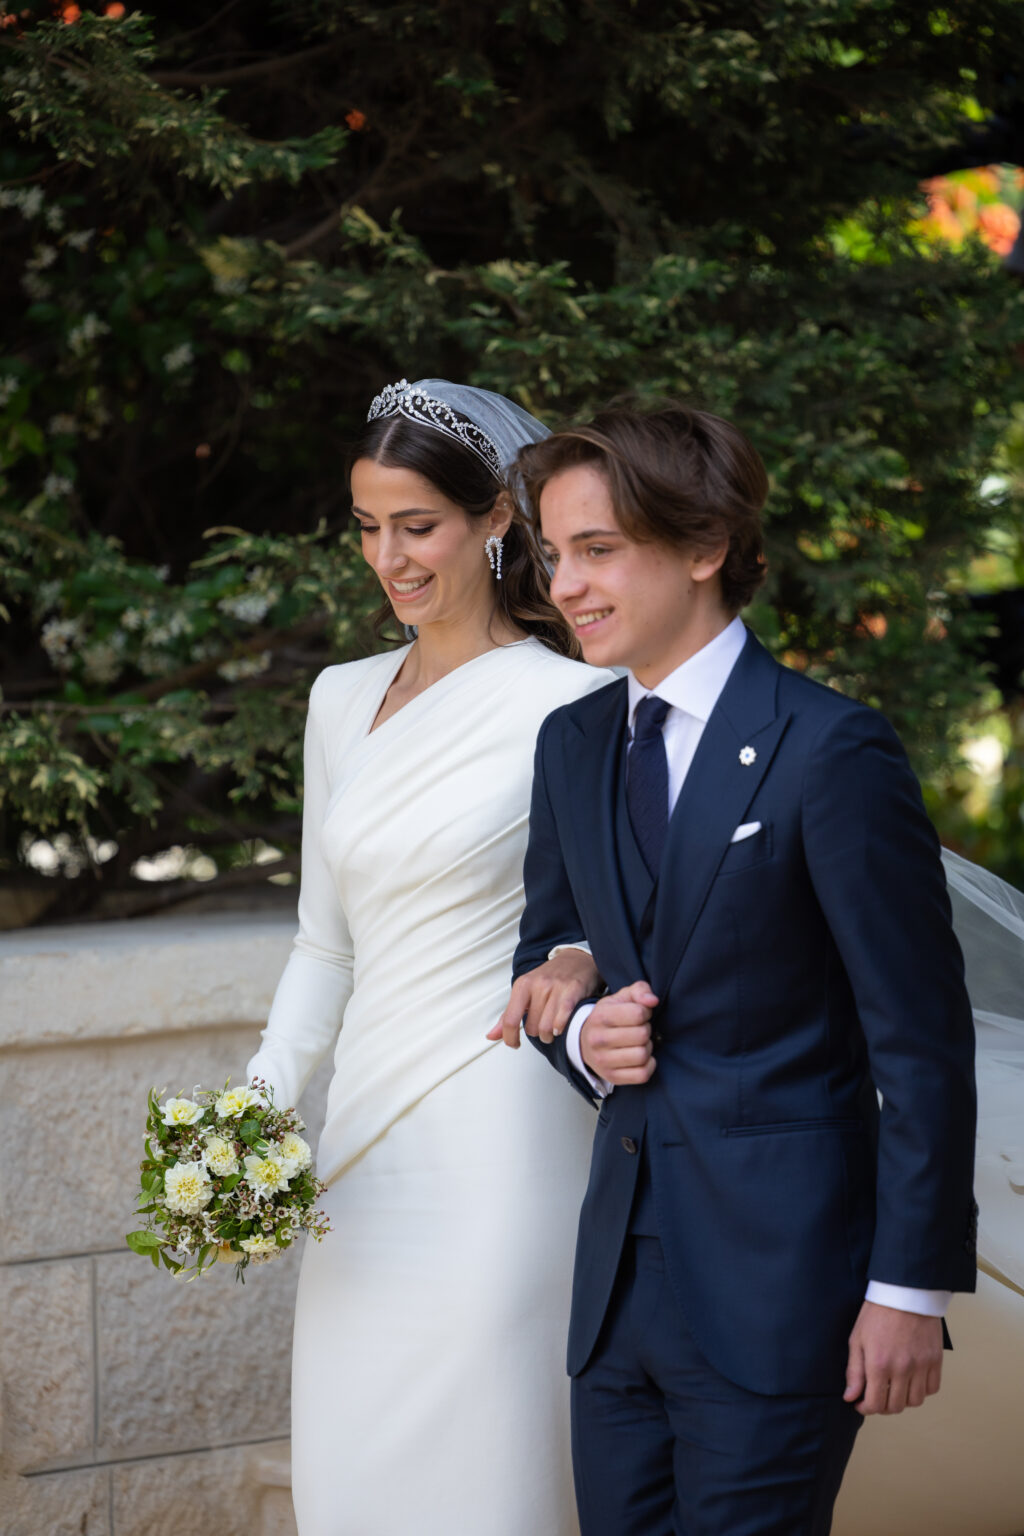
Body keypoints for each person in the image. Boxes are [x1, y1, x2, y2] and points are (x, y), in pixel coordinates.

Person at [492, 403, 978, 1536]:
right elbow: (546, 952)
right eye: (554, 556)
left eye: (597, 550)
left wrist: (908, 1290)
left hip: (783, 1287)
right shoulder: (570, 743)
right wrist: (578, 1034)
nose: (563, 585)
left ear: (705, 546)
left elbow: (918, 1039)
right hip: (615, 1294)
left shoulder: (830, 748)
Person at [245, 378, 612, 1536]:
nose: (389, 558)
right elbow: (323, 939)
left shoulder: (580, 698)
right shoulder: (337, 698)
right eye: (367, 526)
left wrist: (584, 962)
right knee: (357, 1475)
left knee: (489, 1470)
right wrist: (258, 1104)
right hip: (361, 1149)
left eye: (418, 526)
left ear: (497, 518)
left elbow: (612, 916)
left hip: (503, 1131)